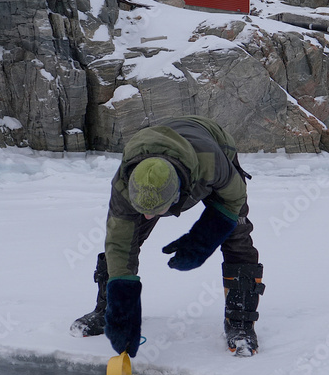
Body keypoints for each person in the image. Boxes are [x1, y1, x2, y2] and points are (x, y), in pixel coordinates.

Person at [70, 116, 265, 357]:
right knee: (127, 240)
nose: (147, 217)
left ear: (177, 197)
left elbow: (234, 198)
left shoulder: (212, 164)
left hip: (211, 146)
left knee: (236, 237)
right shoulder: (124, 184)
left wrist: (203, 240)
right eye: (142, 210)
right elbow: (119, 246)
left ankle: (240, 323)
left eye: (155, 211)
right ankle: (105, 310)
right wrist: (122, 311)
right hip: (166, 149)